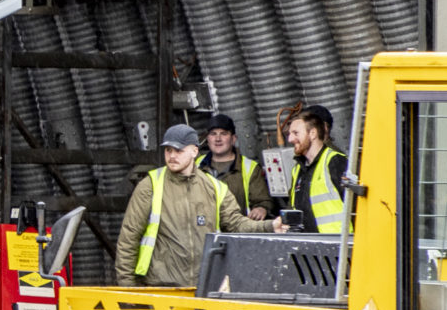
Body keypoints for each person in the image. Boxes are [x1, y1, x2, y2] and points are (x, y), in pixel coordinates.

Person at [116, 123, 264, 288]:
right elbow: (129, 237)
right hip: (162, 288)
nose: (172, 156)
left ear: (194, 151)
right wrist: (127, 286)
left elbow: (237, 225)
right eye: (168, 150)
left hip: (205, 286)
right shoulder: (150, 185)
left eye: (178, 151)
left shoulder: (215, 187)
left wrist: (271, 226)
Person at [278, 104, 349, 235]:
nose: (290, 139)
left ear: (312, 133)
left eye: (295, 133)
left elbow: (358, 207)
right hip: (312, 248)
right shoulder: (297, 170)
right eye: (289, 134)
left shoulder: (335, 162)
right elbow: (294, 210)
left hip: (340, 247)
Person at [199, 113, 269, 221]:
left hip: (237, 233)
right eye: (213, 134)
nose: (218, 139)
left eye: (223, 133)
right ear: (207, 139)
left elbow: (264, 202)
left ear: (233, 139)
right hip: (203, 231)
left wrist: (262, 209)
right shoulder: (196, 165)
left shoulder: (250, 168)